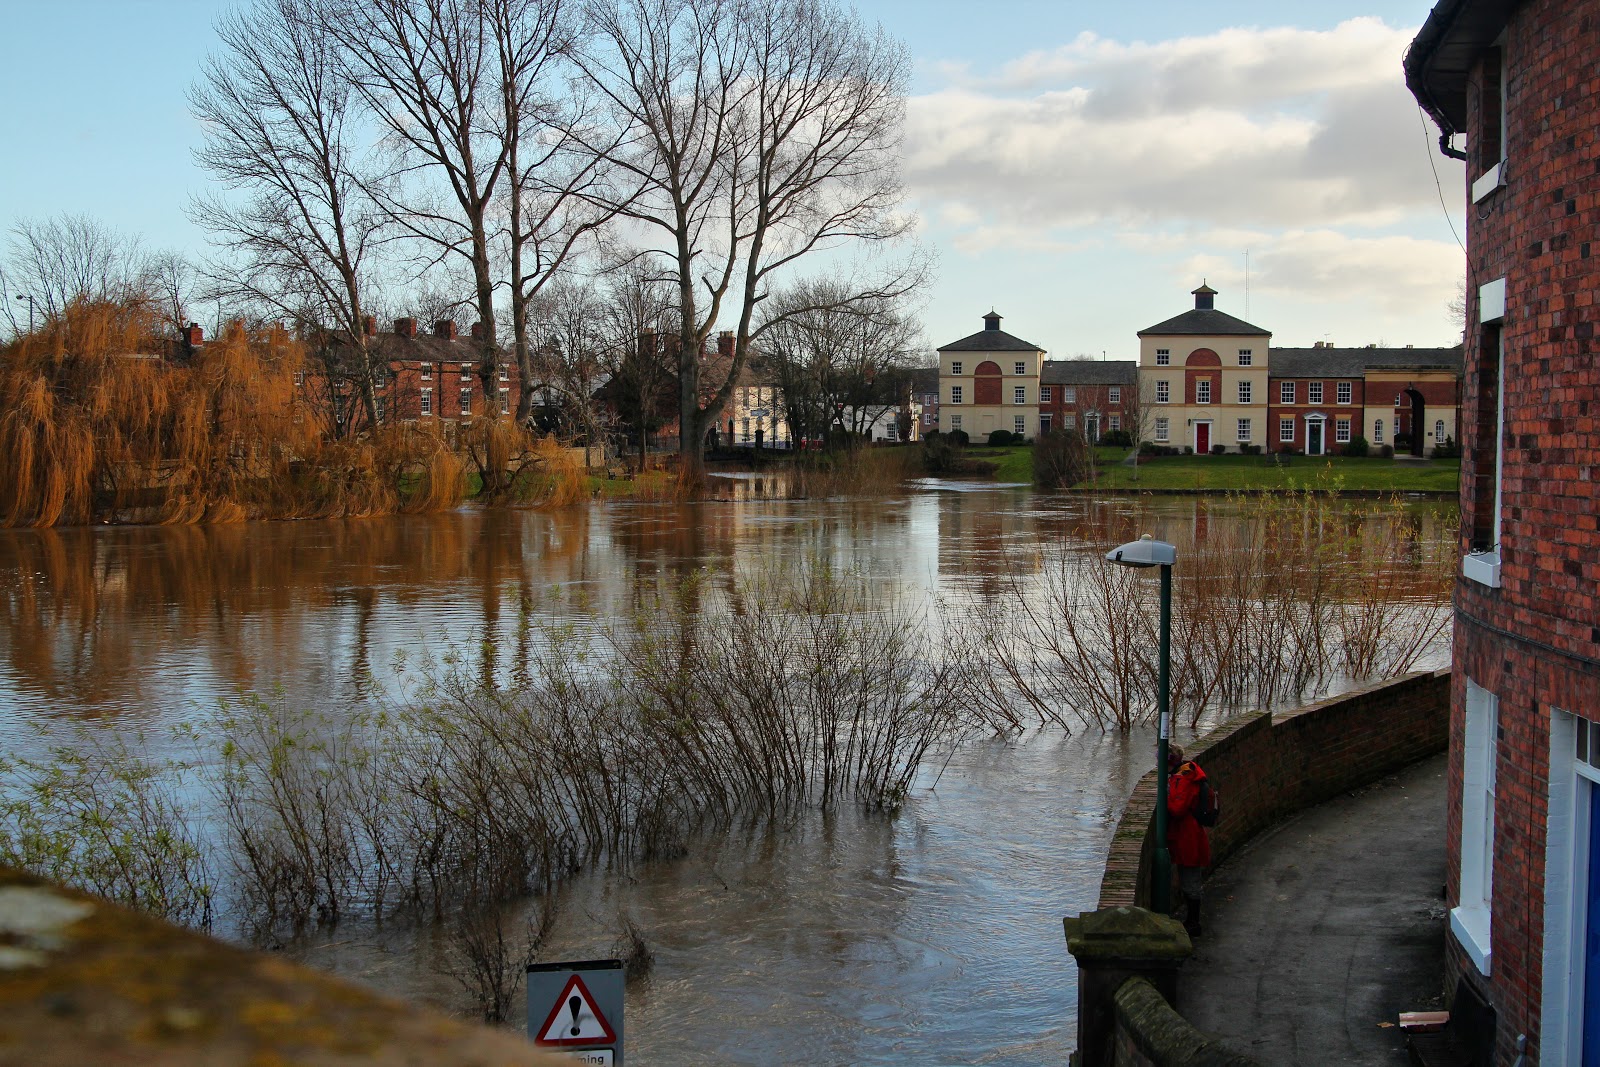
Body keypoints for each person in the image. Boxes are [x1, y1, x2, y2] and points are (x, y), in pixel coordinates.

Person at [1165, 743, 1212, 936]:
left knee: (1190, 878)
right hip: (1188, 833)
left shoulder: (1182, 779)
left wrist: (1165, 795)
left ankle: (1193, 923)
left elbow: (1177, 808)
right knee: (1189, 877)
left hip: (1187, 835)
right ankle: (1192, 921)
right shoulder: (1187, 774)